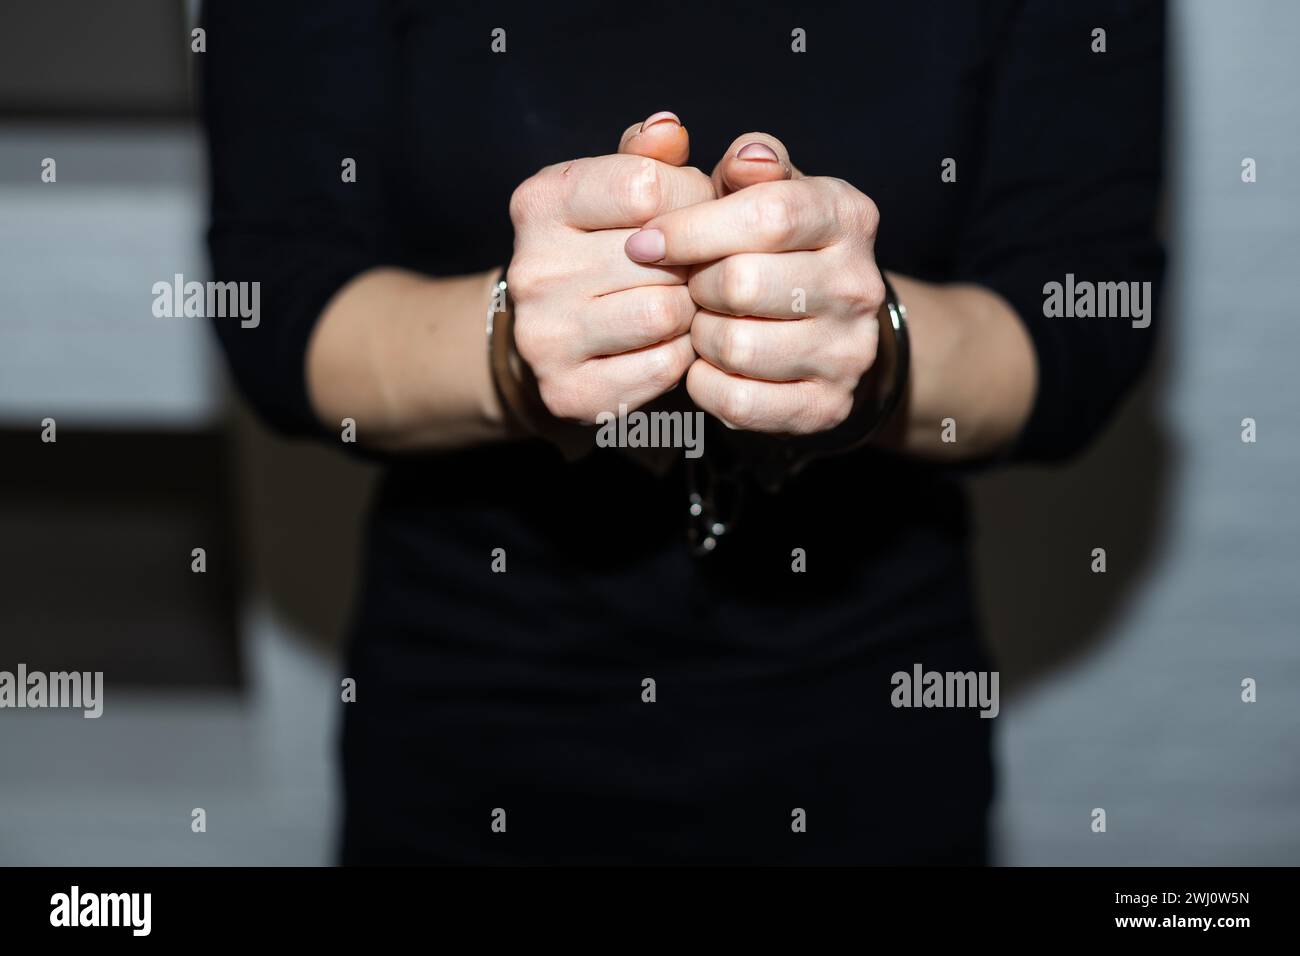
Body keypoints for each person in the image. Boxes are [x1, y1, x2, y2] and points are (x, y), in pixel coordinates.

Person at [201, 0, 1165, 864]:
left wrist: (870, 347)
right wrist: (514, 349)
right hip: (469, 705)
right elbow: (277, 304)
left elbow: (1078, 324)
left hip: (872, 708)